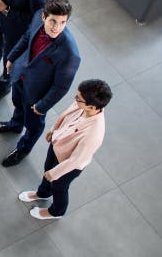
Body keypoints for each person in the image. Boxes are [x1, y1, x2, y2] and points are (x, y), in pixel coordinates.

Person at [0, 0, 81, 167]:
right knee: (17, 104)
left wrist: (42, 106)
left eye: (63, 23)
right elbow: (27, 37)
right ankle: (15, 125)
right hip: (20, 76)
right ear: (44, 17)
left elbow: (61, 87)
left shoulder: (70, 54)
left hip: (38, 95)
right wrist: (12, 57)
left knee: (34, 125)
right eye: (53, 21)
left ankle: (23, 149)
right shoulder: (38, 16)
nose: (57, 27)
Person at [19, 79, 112, 219]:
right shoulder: (82, 105)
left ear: (92, 107)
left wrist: (55, 173)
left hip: (68, 164)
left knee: (59, 187)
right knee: (47, 169)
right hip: (58, 146)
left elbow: (76, 160)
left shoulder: (94, 133)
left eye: (78, 99)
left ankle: (56, 212)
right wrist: (54, 129)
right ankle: (43, 193)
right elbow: (66, 115)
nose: (75, 99)